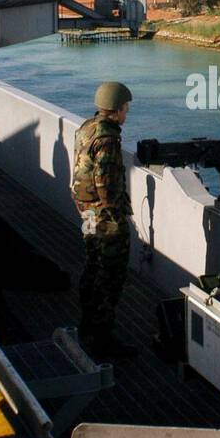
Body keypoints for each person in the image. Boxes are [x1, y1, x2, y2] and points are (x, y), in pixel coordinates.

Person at [70, 81, 136, 359]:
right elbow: (105, 184)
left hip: (86, 211)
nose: (126, 113)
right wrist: (117, 217)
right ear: (117, 109)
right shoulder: (108, 138)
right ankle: (102, 340)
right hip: (104, 217)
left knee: (92, 265)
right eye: (126, 108)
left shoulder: (87, 127)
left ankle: (86, 325)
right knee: (110, 277)